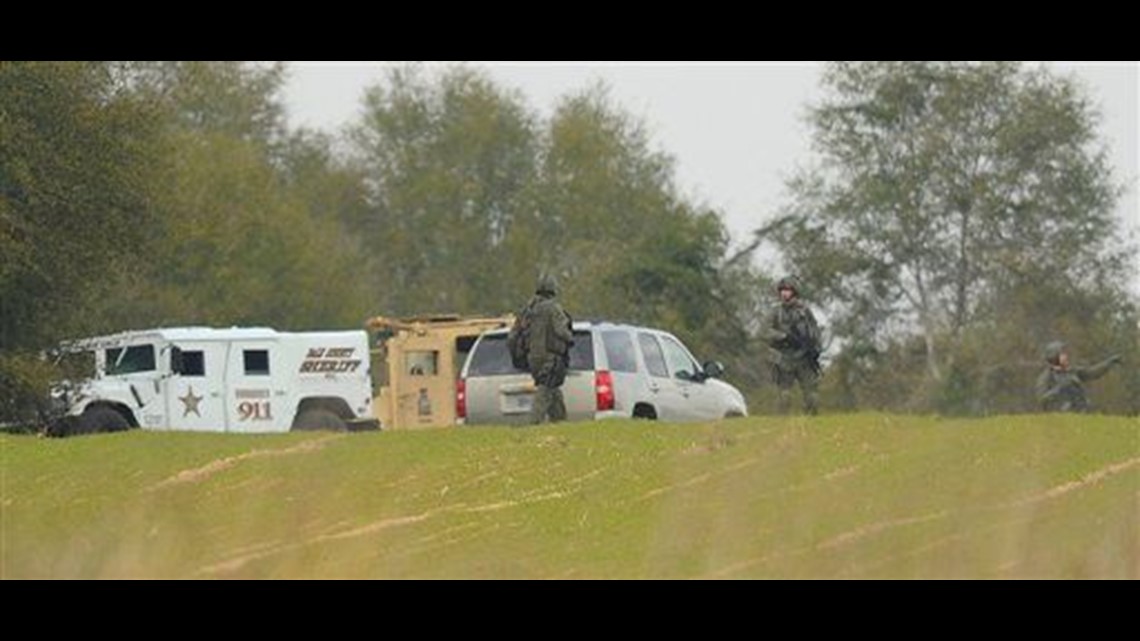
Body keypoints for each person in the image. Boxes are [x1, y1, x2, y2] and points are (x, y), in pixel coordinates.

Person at [521, 273, 574, 424]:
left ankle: (560, 421)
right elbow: (560, 330)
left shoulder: (530, 309)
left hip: (532, 358)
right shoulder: (553, 308)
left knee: (553, 389)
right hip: (550, 357)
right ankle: (534, 422)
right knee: (545, 389)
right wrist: (570, 338)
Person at [765, 276, 822, 415]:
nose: (784, 293)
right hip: (784, 358)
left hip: (804, 358)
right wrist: (784, 337)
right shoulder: (776, 312)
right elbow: (766, 331)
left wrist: (815, 350)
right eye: (782, 290)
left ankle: (812, 425)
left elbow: (814, 331)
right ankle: (781, 426)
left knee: (812, 397)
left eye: (788, 290)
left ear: (794, 292)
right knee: (785, 396)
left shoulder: (805, 311)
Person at [1035, 341, 1122, 412]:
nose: (1066, 357)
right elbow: (1042, 400)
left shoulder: (1072, 371)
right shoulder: (1046, 377)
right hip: (1061, 416)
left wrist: (1109, 362)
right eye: (1062, 355)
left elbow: (1092, 372)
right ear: (1054, 357)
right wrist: (1059, 388)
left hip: (1082, 411)